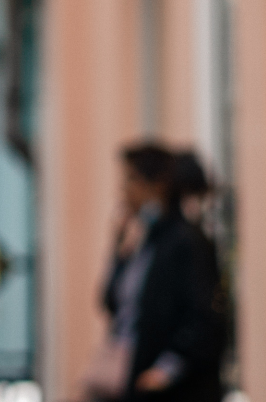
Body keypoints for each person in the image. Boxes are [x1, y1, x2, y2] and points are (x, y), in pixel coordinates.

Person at [83, 143, 224, 402]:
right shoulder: (146, 240)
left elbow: (204, 316)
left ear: (156, 185)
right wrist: (118, 248)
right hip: (137, 377)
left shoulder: (185, 241)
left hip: (174, 388)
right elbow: (111, 302)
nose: (123, 191)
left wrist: (166, 370)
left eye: (130, 180)